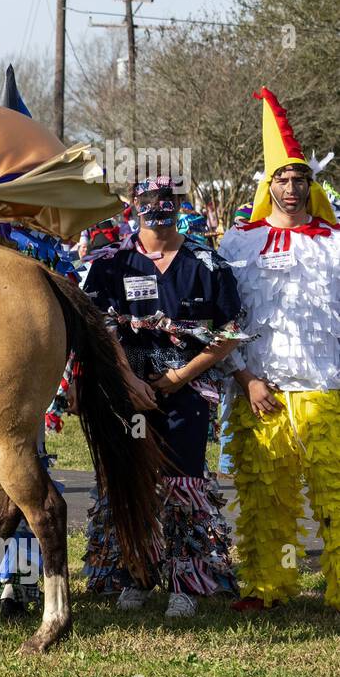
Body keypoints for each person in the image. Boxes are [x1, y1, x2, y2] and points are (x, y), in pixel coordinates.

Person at [81, 175, 243, 617]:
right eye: (149, 200)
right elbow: (99, 327)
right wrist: (130, 382)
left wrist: (179, 377)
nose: (159, 207)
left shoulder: (207, 262)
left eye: (167, 199)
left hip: (186, 392)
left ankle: (185, 581)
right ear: (134, 206)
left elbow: (230, 332)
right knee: (130, 478)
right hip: (127, 394)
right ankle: (134, 574)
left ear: (179, 205)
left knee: (183, 482)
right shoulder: (112, 263)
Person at [218, 87, 340, 612]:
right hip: (259, 387)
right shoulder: (238, 244)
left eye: (300, 179)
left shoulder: (335, 245)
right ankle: (268, 586)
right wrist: (245, 378)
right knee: (265, 495)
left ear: (313, 186)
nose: (291, 187)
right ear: (268, 187)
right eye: (282, 179)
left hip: (324, 385)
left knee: (333, 496)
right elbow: (223, 321)